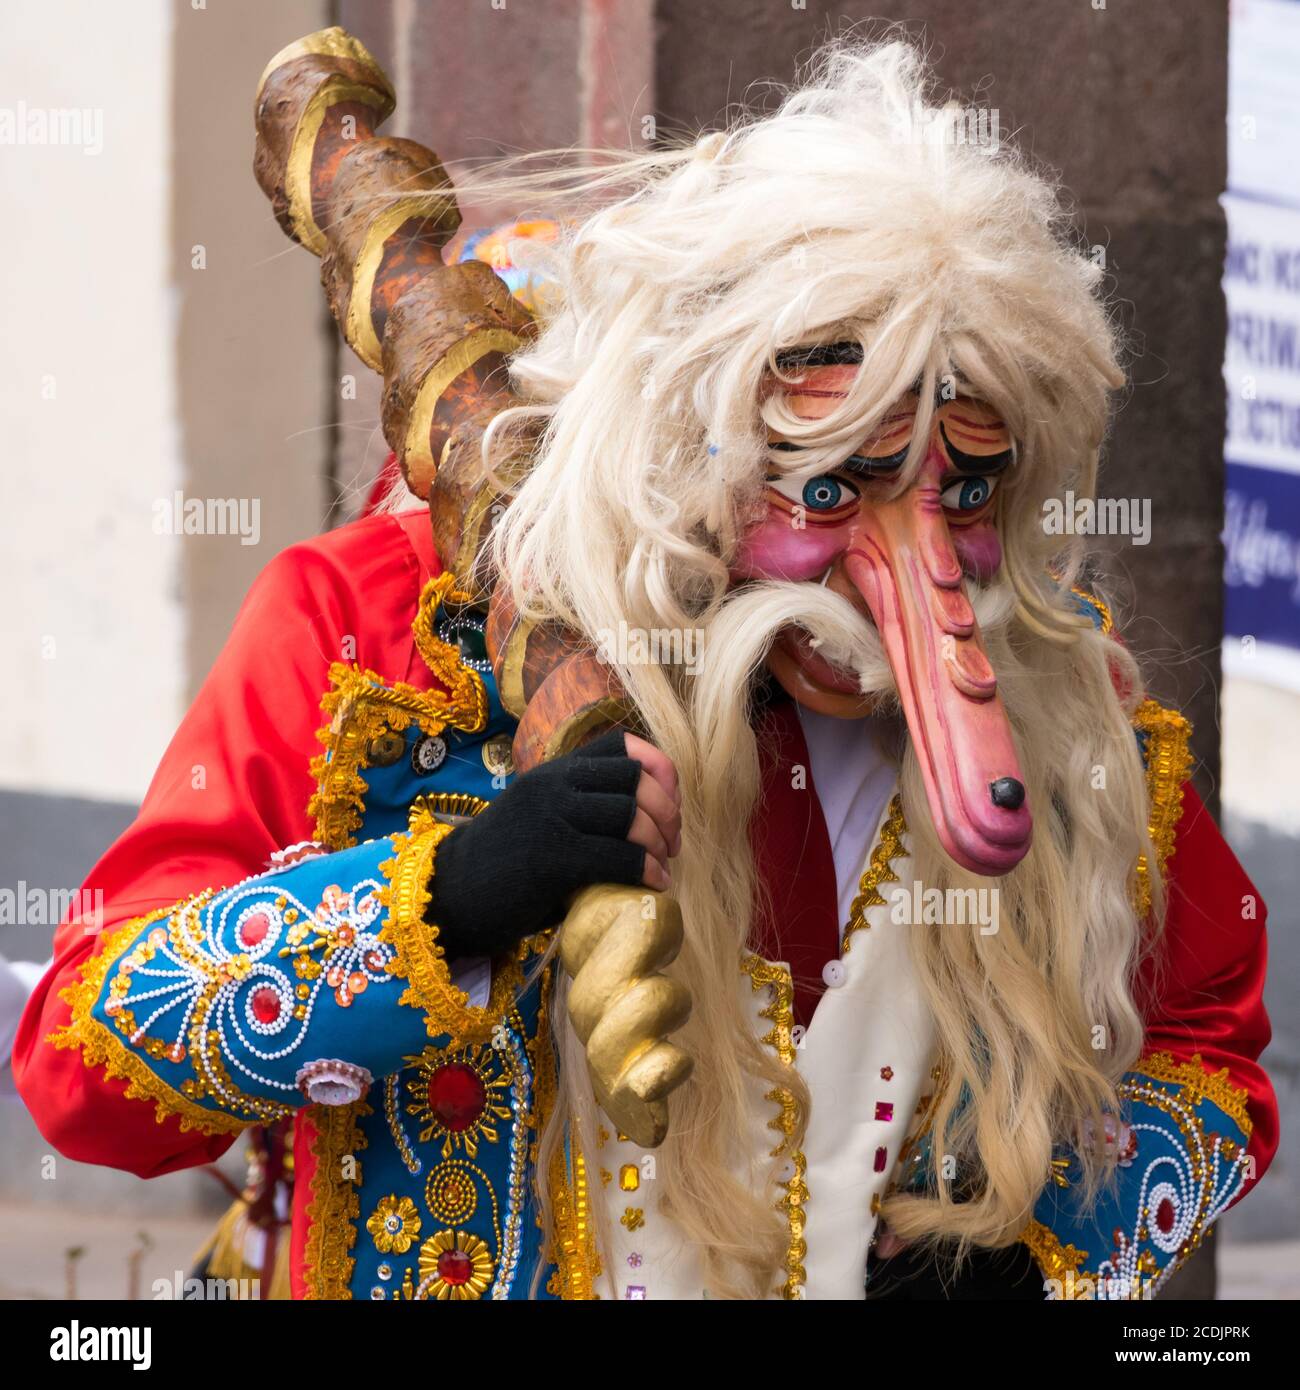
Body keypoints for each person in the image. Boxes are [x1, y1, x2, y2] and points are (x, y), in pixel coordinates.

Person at [14, 30, 1275, 1301]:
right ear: (688, 447)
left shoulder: (1051, 706)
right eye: (830, 485)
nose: (915, 558)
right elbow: (80, 1066)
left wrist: (1046, 1236)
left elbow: (1211, 1053)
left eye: (969, 485)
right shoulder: (368, 634)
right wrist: (446, 898)